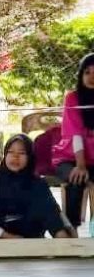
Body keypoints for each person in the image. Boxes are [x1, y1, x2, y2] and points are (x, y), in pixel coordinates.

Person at [0, 134, 75, 239]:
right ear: (5, 155)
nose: (15, 157)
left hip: (31, 235)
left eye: (22, 153)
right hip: (0, 236)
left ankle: (61, 237)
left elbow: (53, 210)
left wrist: (69, 227)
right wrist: (7, 236)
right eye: (11, 152)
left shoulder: (38, 183)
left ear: (30, 157)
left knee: (42, 199)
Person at [52, 53, 94, 228]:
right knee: (76, 180)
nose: (92, 77)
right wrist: (81, 165)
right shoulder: (72, 98)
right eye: (87, 72)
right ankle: (71, 230)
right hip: (70, 158)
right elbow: (75, 134)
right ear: (80, 75)